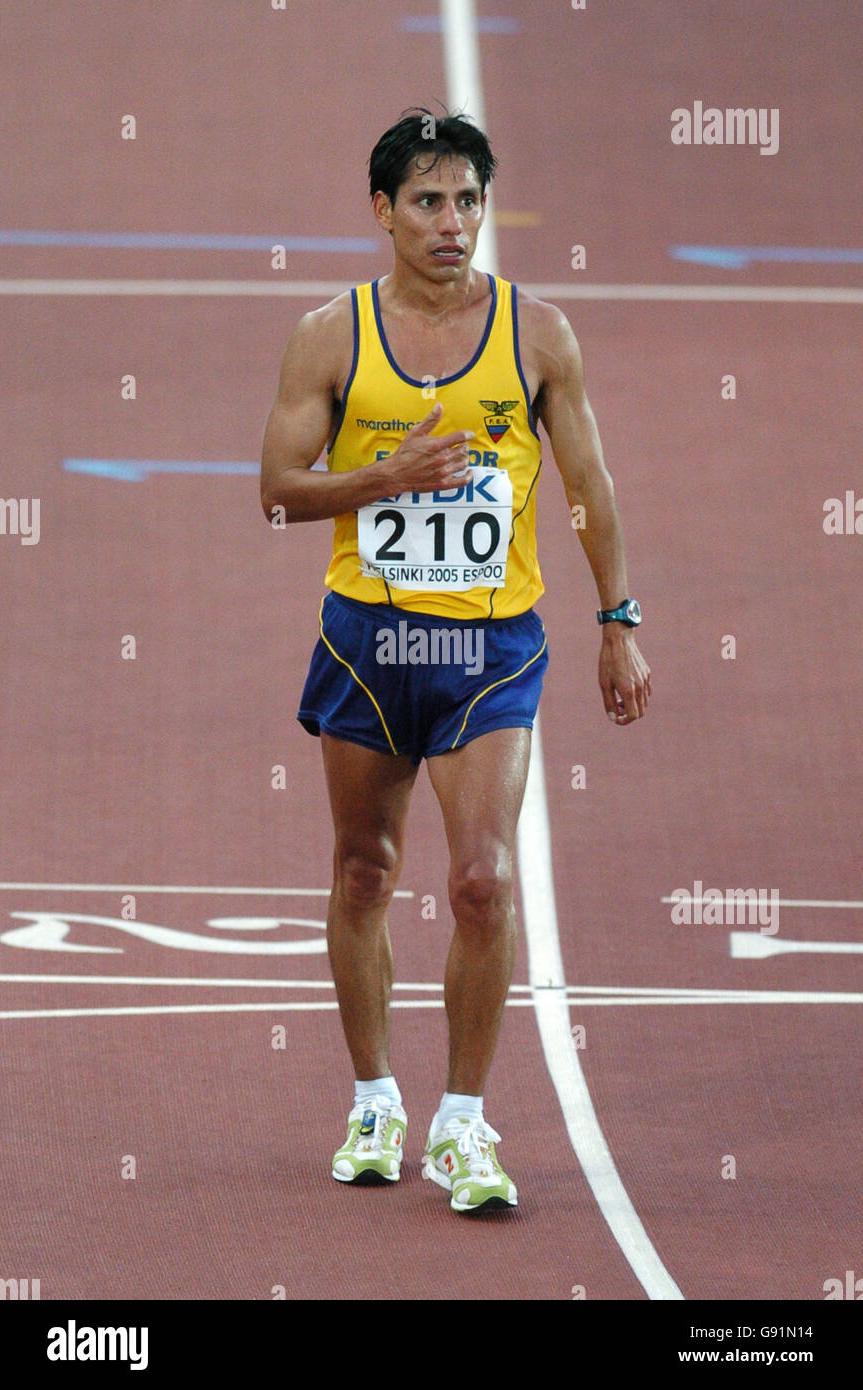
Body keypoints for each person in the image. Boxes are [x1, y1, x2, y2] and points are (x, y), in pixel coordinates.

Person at [260, 109, 651, 1214]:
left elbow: (587, 487)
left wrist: (615, 618)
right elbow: (278, 491)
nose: (450, 223)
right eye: (427, 201)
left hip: (487, 647)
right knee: (362, 871)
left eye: (467, 200)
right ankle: (373, 1096)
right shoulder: (328, 336)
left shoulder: (537, 335)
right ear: (381, 211)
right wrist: (389, 477)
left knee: (480, 879)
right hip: (367, 639)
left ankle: (464, 1125)